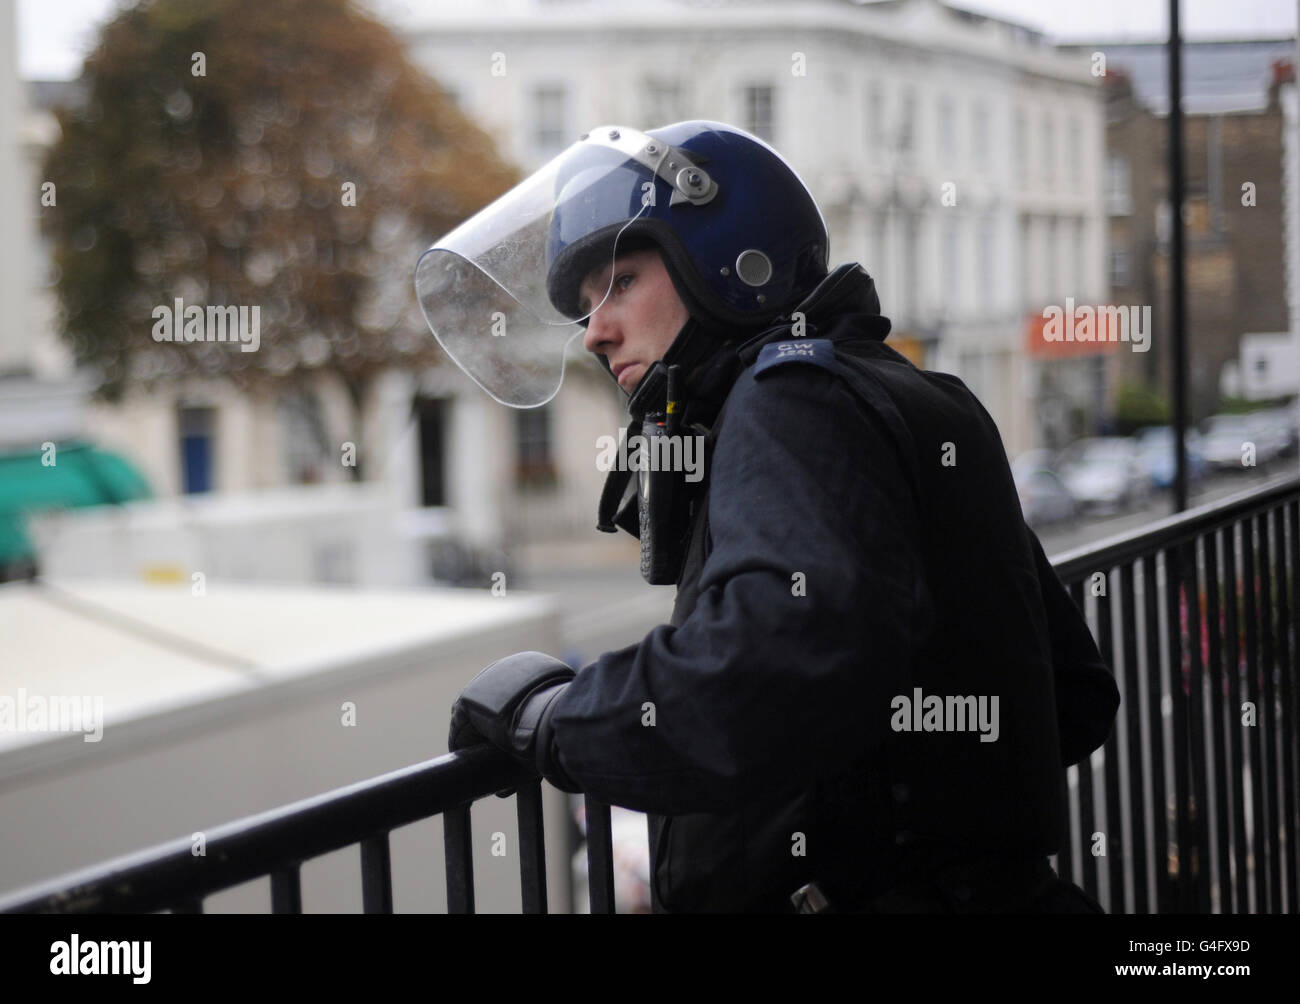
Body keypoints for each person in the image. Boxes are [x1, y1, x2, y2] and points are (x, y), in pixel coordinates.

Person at [417, 120, 1121, 913]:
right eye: (584, 309)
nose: (595, 333)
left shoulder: (788, 400)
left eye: (620, 282)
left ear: (727, 257)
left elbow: (764, 669)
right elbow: (1071, 691)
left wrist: (549, 720)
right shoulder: (915, 392)